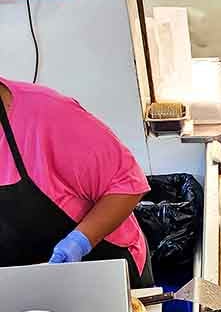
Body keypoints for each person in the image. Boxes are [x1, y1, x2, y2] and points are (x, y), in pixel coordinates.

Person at [0, 77, 153, 288]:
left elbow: (127, 184)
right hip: (21, 288)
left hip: (101, 272)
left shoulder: (44, 113)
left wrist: (79, 242)